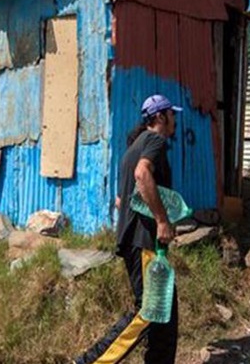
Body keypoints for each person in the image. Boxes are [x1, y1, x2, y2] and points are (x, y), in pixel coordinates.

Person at [74, 94, 181, 364]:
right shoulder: (154, 141)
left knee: (165, 315)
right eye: (172, 115)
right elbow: (142, 175)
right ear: (160, 117)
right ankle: (90, 361)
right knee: (150, 310)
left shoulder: (132, 149)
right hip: (144, 241)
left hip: (137, 241)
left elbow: (121, 200)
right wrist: (162, 220)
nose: (175, 120)